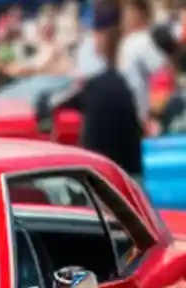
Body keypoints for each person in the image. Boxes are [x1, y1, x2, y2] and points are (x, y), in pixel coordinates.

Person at [53, 1, 145, 180]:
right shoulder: (109, 80)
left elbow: (97, 158)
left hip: (115, 182)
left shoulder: (107, 84)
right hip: (125, 175)